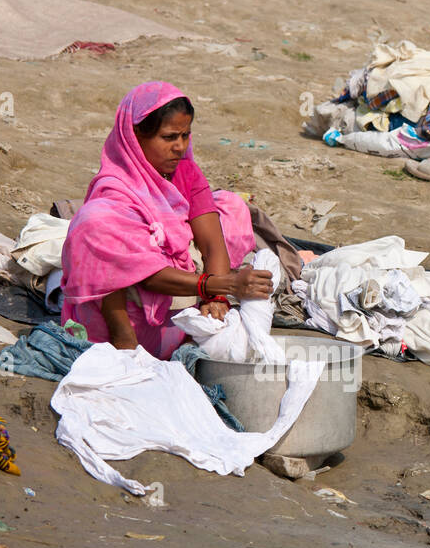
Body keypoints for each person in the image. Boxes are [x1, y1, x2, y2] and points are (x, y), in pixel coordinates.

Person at [60, 81, 273, 358]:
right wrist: (225, 285)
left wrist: (216, 298)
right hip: (129, 311)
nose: (180, 147)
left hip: (183, 293)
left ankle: (181, 329)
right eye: (169, 137)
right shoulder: (116, 187)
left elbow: (211, 243)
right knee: (93, 223)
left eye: (185, 136)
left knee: (231, 206)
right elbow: (143, 274)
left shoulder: (186, 172)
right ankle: (123, 337)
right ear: (135, 135)